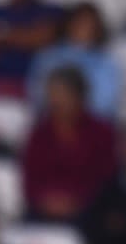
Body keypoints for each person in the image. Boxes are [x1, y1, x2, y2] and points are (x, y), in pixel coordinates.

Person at [21, 66, 118, 224]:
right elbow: (30, 180)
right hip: (43, 210)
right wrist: (48, 202)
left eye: (63, 96)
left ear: (79, 97)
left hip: (88, 210)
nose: (56, 102)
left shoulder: (102, 133)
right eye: (53, 96)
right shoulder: (39, 134)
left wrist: (76, 202)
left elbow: (106, 178)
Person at [26, 1, 124, 119]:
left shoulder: (106, 63)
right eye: (80, 22)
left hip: (91, 125)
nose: (84, 28)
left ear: (98, 28)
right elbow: (37, 93)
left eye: (90, 24)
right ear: (69, 24)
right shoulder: (48, 57)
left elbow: (105, 102)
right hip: (54, 122)